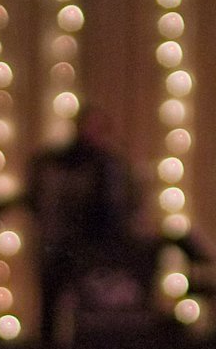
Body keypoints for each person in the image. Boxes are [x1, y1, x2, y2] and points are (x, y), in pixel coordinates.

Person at [24, 106, 139, 329]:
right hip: (58, 245)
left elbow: (123, 206)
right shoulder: (55, 163)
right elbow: (41, 200)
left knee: (94, 307)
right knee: (51, 305)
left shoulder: (112, 166)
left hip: (99, 248)